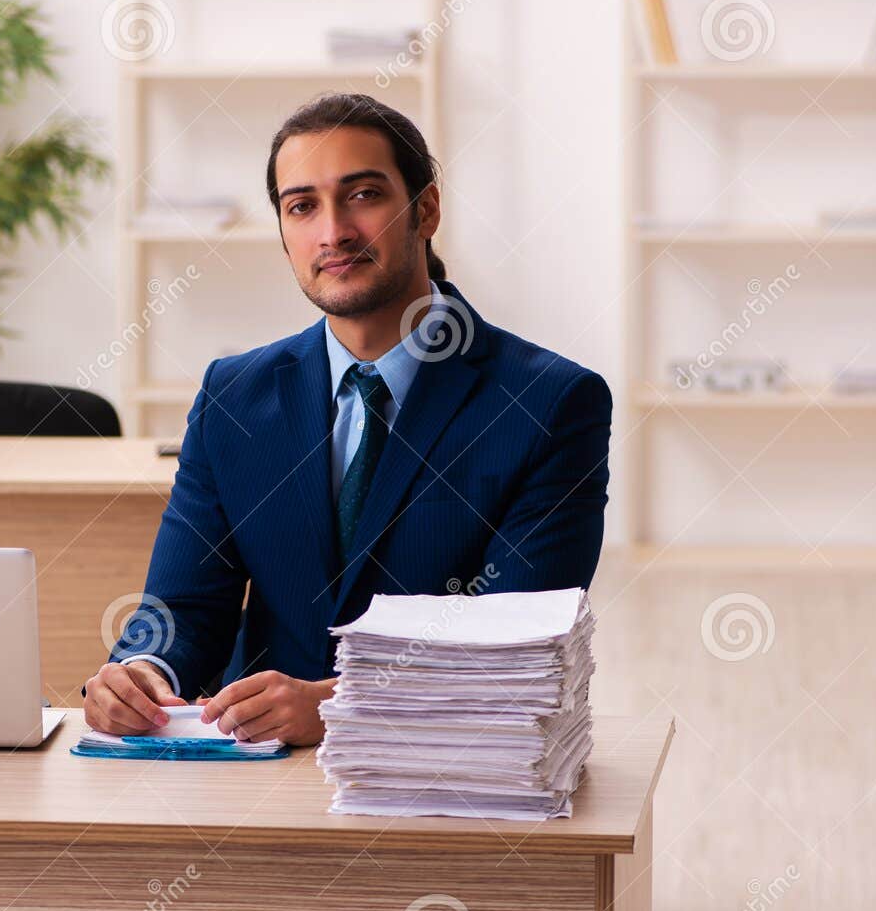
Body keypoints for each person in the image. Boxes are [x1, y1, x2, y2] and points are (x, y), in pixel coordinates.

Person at [82, 92, 611, 746]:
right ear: (283, 233)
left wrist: (338, 703)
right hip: (257, 775)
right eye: (302, 206)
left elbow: (516, 643)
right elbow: (187, 606)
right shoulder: (233, 396)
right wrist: (141, 670)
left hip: (454, 775)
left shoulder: (551, 403)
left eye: (363, 195)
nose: (333, 232)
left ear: (427, 209)